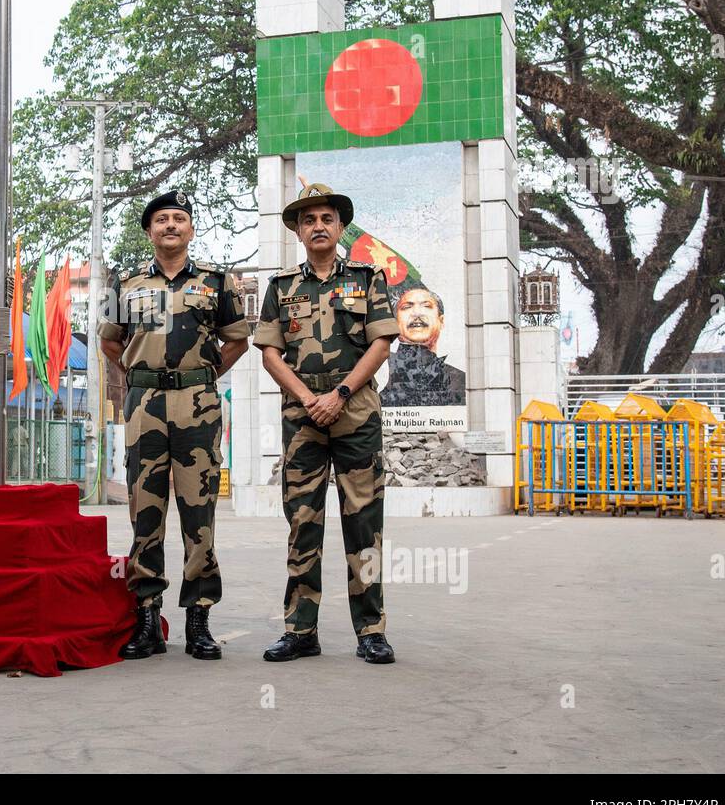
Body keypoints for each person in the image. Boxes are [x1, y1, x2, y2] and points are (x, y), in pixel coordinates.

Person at [97, 189, 250, 661]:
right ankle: (147, 620)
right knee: (146, 513)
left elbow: (237, 342)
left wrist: (199, 379)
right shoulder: (124, 285)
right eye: (161, 219)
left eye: (179, 218)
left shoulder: (217, 283)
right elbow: (109, 344)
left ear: (190, 229)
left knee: (199, 513)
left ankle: (199, 620)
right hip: (144, 405)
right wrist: (144, 378)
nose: (170, 226)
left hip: (198, 404)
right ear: (149, 231)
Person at [254, 183, 400, 665]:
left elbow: (381, 344)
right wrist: (307, 398)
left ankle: (372, 631)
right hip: (303, 420)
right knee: (303, 523)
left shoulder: (368, 278)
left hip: (354, 413)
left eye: (326, 219)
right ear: (298, 231)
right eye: (308, 219)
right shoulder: (280, 289)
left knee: (364, 525)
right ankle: (300, 630)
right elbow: (271, 354)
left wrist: (338, 395)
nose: (318, 226)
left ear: (339, 228)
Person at [382, 286, 465, 407]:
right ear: (395, 322)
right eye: (407, 307)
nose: (417, 313)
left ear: (441, 321)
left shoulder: (459, 379)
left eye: (426, 306)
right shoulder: (381, 372)